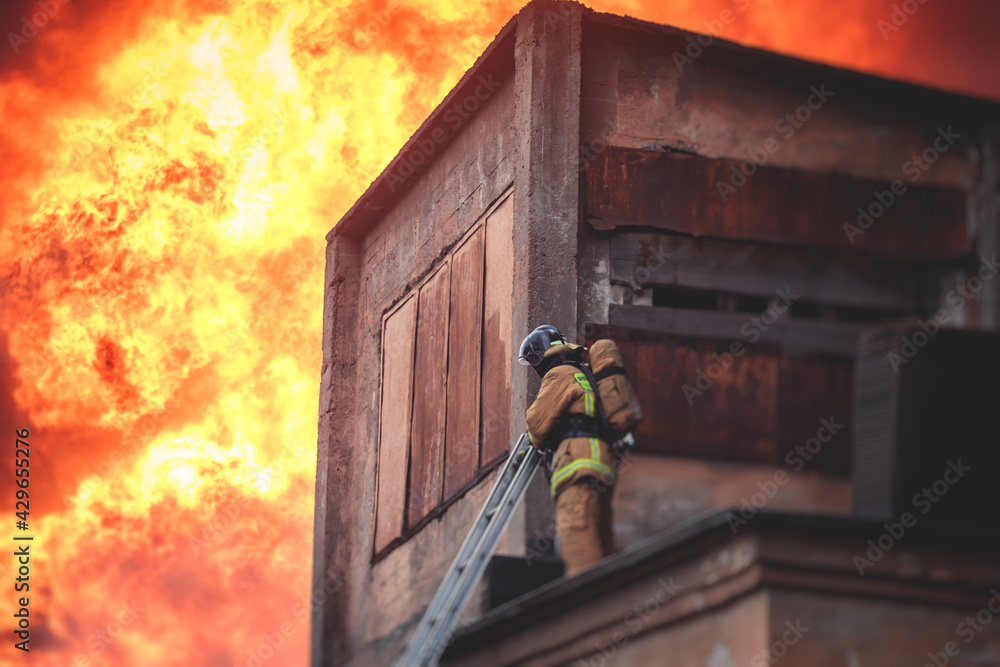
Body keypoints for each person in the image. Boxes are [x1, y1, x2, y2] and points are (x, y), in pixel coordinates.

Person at [518, 325, 619, 577]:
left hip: (577, 465)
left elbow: (537, 425)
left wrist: (535, 440)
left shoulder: (559, 374)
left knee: (579, 543)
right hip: (600, 463)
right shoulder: (585, 373)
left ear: (539, 356)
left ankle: (587, 609)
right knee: (602, 541)